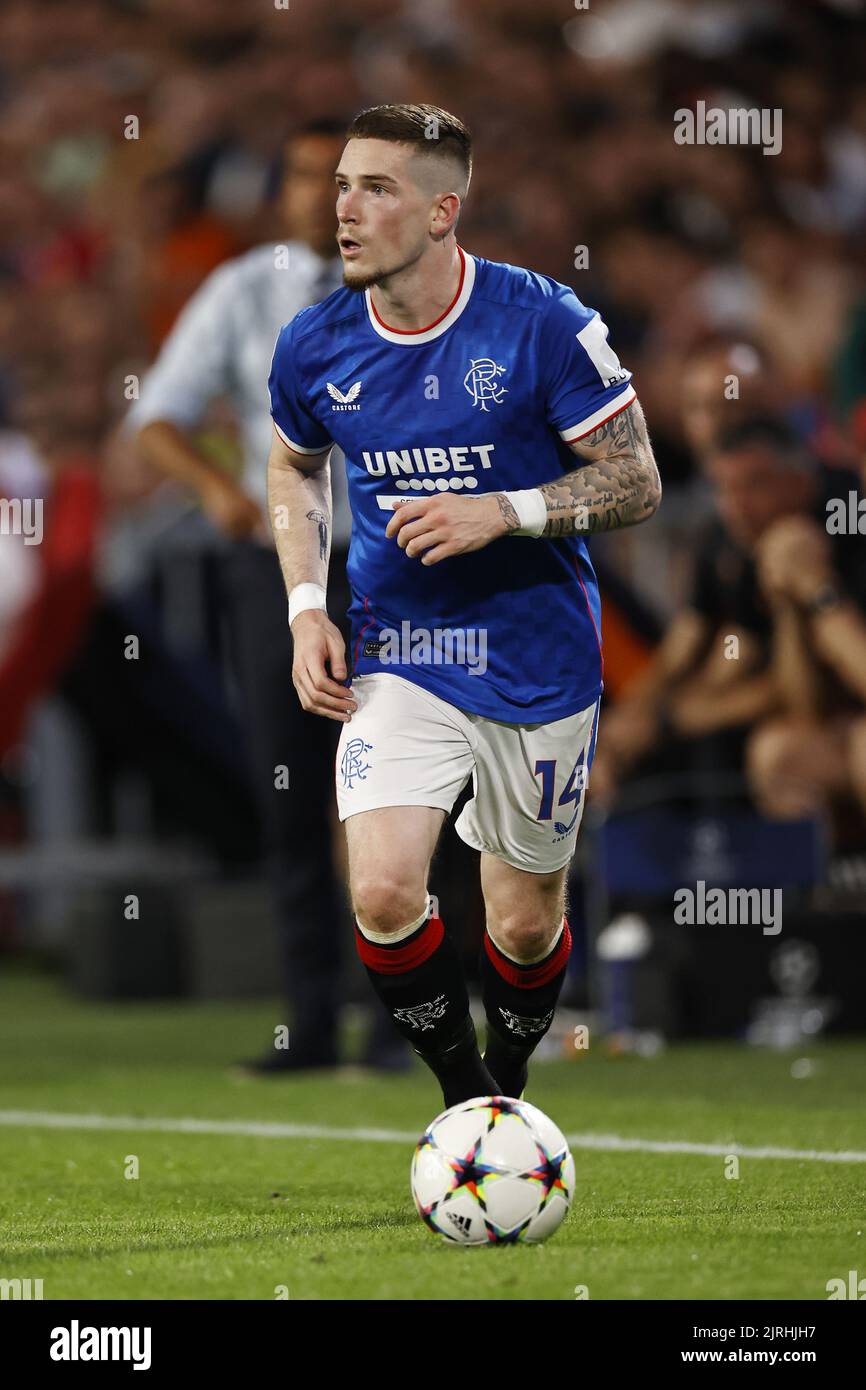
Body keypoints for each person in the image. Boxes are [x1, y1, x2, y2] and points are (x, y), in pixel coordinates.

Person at [266, 103, 661, 1105]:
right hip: (397, 647)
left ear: (443, 211)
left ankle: (512, 1073)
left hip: (535, 657)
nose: (342, 208)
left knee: (522, 922)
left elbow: (636, 479)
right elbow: (294, 469)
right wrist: (307, 603)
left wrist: (507, 509)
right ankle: (465, 1103)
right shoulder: (314, 344)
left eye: (374, 188)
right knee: (385, 888)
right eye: (340, 184)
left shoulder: (542, 323)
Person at [131, 119, 405, 1073]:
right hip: (282, 563)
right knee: (291, 788)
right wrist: (217, 490)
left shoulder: (422, 284)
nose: (327, 196)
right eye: (307, 176)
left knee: (404, 784)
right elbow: (155, 415)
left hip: (403, 559)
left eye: (352, 178)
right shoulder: (245, 290)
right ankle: (314, 1024)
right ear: (283, 190)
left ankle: (405, 1018)